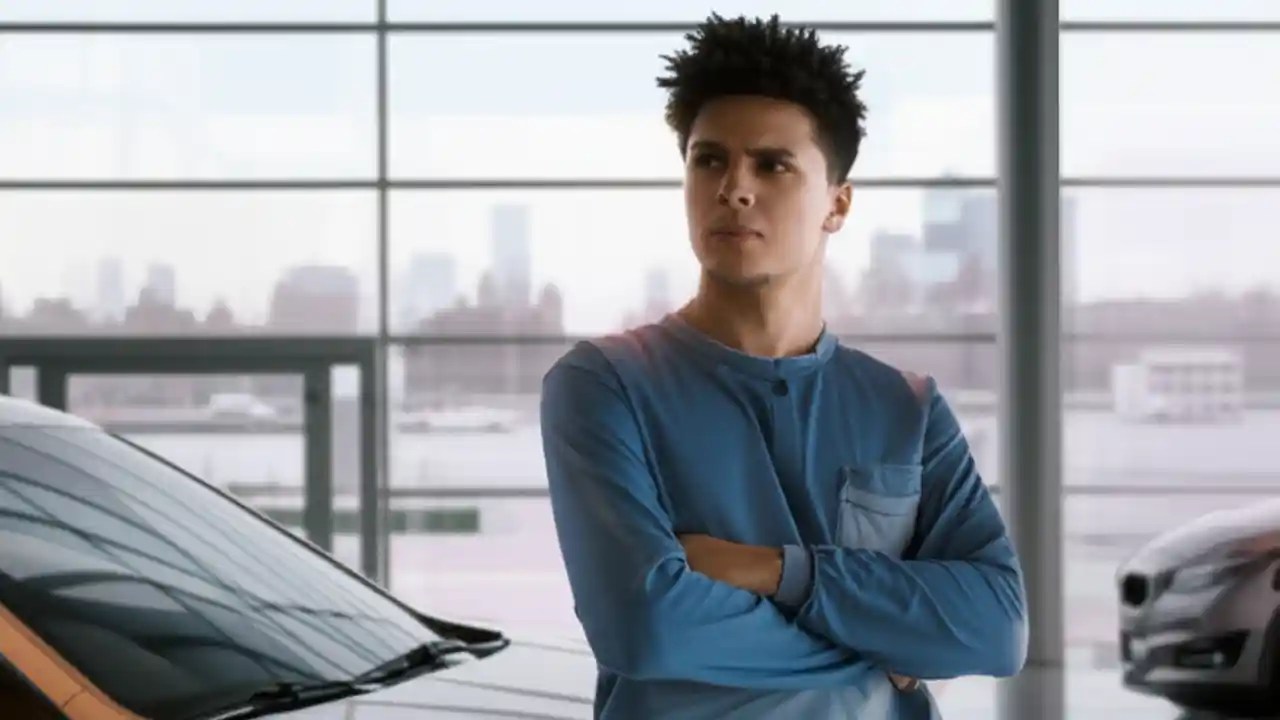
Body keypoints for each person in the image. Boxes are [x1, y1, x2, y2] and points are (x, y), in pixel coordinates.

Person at [540, 14, 1027, 719]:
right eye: (709, 160)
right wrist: (882, 642)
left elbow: (996, 628)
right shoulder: (605, 384)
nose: (734, 187)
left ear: (838, 202)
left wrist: (776, 572)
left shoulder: (906, 407)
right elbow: (646, 627)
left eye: (773, 165)